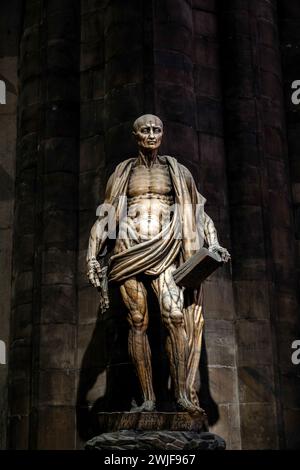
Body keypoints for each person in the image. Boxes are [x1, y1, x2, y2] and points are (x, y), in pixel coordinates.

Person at [87, 114, 230, 413]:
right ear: (135, 135)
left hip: (166, 247)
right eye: (145, 130)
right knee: (137, 323)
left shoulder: (177, 172)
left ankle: (181, 395)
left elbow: (198, 212)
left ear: (163, 134)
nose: (152, 135)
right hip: (128, 249)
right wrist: (91, 256)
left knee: (175, 317)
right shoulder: (123, 172)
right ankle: (148, 398)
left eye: (157, 130)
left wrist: (213, 242)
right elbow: (105, 219)